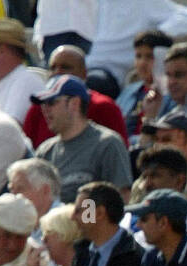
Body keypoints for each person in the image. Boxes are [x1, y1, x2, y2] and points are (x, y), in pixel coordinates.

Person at [32, 74, 132, 203]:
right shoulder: (45, 151)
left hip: (90, 220)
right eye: (43, 104)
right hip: (51, 222)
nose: (45, 110)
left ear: (74, 103)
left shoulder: (107, 143)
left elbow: (122, 197)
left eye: (51, 102)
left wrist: (85, 220)